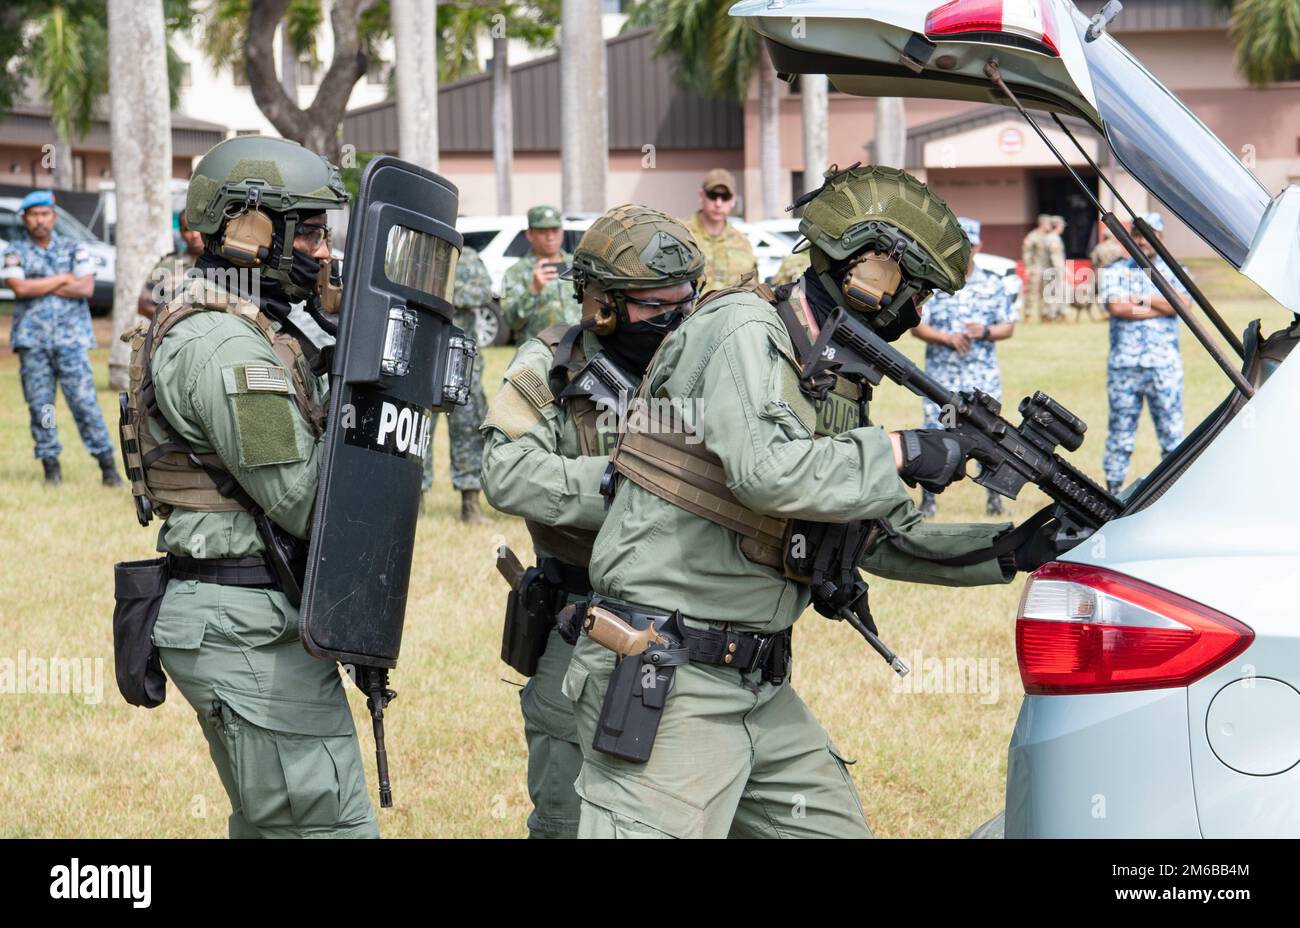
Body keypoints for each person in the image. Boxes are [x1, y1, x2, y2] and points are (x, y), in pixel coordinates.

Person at [564, 165, 1054, 839]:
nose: (919, 314)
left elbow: (883, 535)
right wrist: (903, 451)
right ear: (871, 272)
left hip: (756, 685)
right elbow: (769, 474)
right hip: (666, 671)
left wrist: (1013, 550)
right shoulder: (743, 329)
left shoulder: (830, 374)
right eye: (917, 292)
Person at [128, 136, 377, 837]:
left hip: (248, 616)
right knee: (324, 827)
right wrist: (371, 399)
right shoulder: (226, 346)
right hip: (245, 629)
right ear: (249, 229)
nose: (323, 251)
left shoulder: (253, 326)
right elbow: (302, 496)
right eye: (310, 232)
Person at [480, 204, 704, 839]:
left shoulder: (707, 358)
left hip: (698, 618)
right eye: (654, 301)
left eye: (685, 298)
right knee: (567, 815)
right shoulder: (553, 361)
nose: (675, 315)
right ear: (602, 303)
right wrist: (626, 483)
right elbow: (507, 473)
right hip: (584, 616)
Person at [0, 189, 121, 487]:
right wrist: (64, 278)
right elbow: (19, 288)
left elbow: (86, 290)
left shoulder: (75, 248)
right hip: (33, 343)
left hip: (72, 342)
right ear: (25, 219)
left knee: (84, 404)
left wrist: (39, 283)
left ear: (53, 217)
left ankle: (107, 466)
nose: (39, 220)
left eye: (44, 214)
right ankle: (50, 467)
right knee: (42, 407)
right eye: (33, 215)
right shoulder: (14, 251)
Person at [910, 217, 1017, 518]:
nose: (962, 251)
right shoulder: (933, 283)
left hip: (981, 379)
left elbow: (1007, 326)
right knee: (934, 436)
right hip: (941, 380)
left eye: (968, 245)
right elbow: (916, 325)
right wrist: (946, 338)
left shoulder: (993, 284)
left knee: (991, 438)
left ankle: (995, 501)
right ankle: (928, 503)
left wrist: (983, 331)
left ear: (978, 246)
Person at [1100, 212, 1189, 496]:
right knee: (1120, 435)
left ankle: (1174, 493)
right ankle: (1112, 492)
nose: (1142, 241)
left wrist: (1138, 299)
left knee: (1173, 435)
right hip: (1125, 367)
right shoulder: (1114, 271)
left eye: (1148, 235)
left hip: (1164, 366)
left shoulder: (1176, 271)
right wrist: (1160, 305)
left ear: (1160, 238)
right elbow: (1117, 308)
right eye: (1137, 235)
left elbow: (1182, 305)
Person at [421, 246, 493, 522]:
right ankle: (416, 502)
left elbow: (483, 292)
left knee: (469, 429)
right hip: (425, 353)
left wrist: (440, 292)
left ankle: (470, 504)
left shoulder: (469, 257)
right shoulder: (420, 250)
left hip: (462, 358)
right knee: (419, 429)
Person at [500, 205, 576, 344]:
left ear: (562, 231)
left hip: (577, 352)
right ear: (529, 234)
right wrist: (533, 290)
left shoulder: (577, 265)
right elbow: (511, 321)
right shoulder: (514, 273)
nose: (550, 237)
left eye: (555, 230)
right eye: (542, 231)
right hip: (538, 355)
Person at [681, 168, 758, 293]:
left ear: (733, 200)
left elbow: (751, 288)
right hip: (691, 311)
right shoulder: (680, 235)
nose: (718, 203)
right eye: (713, 195)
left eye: (725, 197)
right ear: (701, 195)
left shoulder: (742, 243)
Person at [138, 210, 204, 319]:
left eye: (198, 228)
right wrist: (172, 321)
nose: (194, 235)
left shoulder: (223, 264)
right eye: (187, 229)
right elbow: (143, 306)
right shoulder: (167, 266)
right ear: (181, 233)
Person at [1081, 223, 1126, 324]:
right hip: (1115, 272)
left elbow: (1094, 262)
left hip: (1101, 272)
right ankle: (1110, 312)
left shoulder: (1098, 248)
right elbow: (1122, 261)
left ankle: (1103, 312)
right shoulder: (1117, 248)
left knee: (1100, 294)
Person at [1021, 214, 1053, 325]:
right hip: (1036, 268)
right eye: (1049, 224)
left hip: (1047, 268)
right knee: (1031, 293)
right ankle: (1028, 315)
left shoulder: (1050, 237)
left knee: (1047, 292)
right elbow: (1026, 253)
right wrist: (1028, 267)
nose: (1051, 226)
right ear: (1043, 224)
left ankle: (1045, 315)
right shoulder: (1033, 236)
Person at [1043, 215, 1068, 322]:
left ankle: (1053, 315)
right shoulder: (1054, 239)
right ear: (1057, 226)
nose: (1063, 227)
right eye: (1062, 225)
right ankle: (1051, 316)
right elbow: (1055, 257)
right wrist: (1063, 270)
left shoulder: (1048, 237)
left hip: (1049, 270)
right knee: (1054, 293)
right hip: (1054, 270)